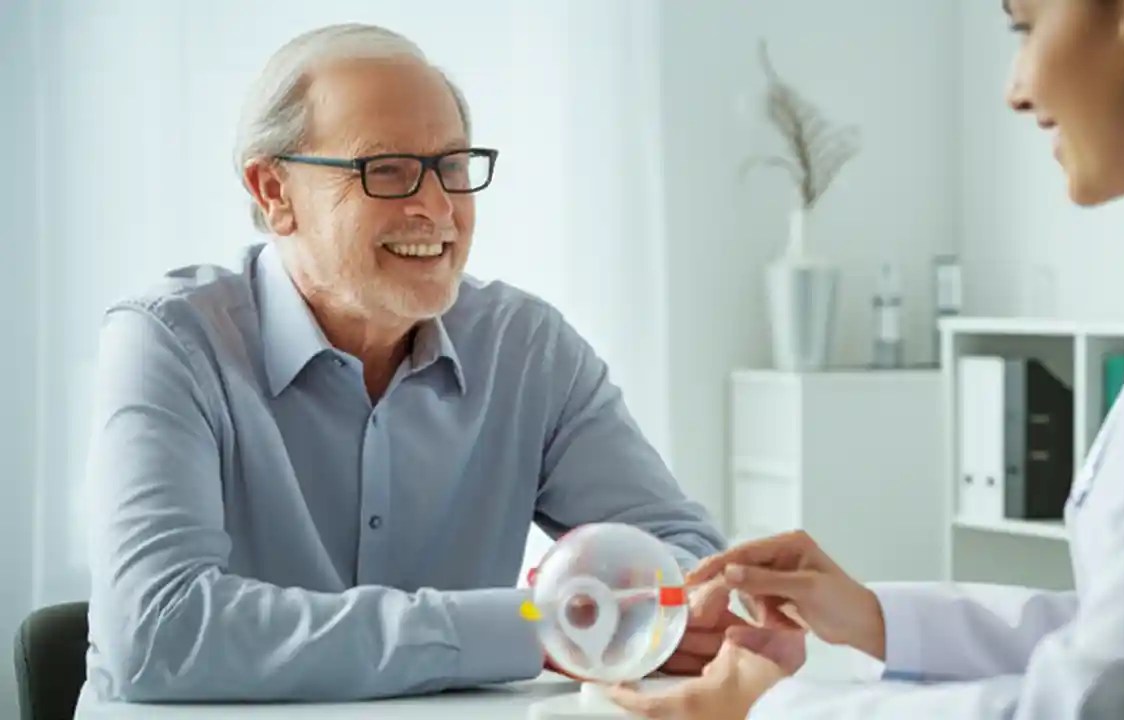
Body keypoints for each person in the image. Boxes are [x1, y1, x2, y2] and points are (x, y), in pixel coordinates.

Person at [610, 0, 1124, 717]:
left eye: (1025, 28)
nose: (1015, 90)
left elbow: (1119, 702)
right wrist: (874, 617)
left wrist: (773, 709)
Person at [82, 23, 733, 703]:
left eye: (452, 166)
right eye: (386, 169)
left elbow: (685, 561)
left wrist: (660, 602)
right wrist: (532, 626)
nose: (437, 207)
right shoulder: (169, 342)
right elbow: (156, 631)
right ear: (274, 191)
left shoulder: (526, 348)